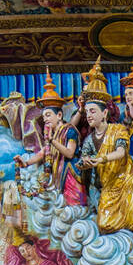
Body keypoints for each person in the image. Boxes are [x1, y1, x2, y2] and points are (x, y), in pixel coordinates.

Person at [77, 59, 133, 234]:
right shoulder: (89, 140)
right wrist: (85, 163)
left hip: (127, 183)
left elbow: (121, 152)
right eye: (87, 112)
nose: (89, 116)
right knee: (105, 226)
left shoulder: (119, 129)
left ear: (105, 113)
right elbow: (84, 158)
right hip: (109, 187)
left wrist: (100, 159)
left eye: (93, 111)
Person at [16, 73, 86, 207]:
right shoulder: (53, 135)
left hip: (71, 174)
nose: (45, 119)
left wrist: (52, 140)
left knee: (74, 206)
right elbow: (43, 153)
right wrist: (25, 163)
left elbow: (70, 153)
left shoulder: (69, 131)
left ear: (59, 115)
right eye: (44, 116)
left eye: (48, 115)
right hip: (57, 176)